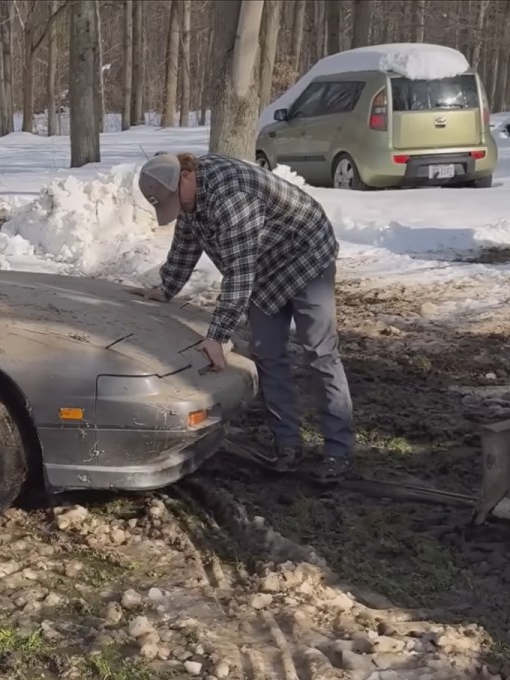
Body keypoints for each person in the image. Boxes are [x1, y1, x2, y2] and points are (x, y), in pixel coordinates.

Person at [134, 151, 355, 483]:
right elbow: (186, 244)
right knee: (267, 353)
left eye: (176, 203)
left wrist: (217, 336)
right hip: (263, 268)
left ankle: (339, 451)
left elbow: (239, 274)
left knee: (319, 352)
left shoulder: (232, 195)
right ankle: (288, 447)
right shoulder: (190, 197)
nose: (179, 212)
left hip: (305, 255)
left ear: (185, 177)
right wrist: (165, 287)